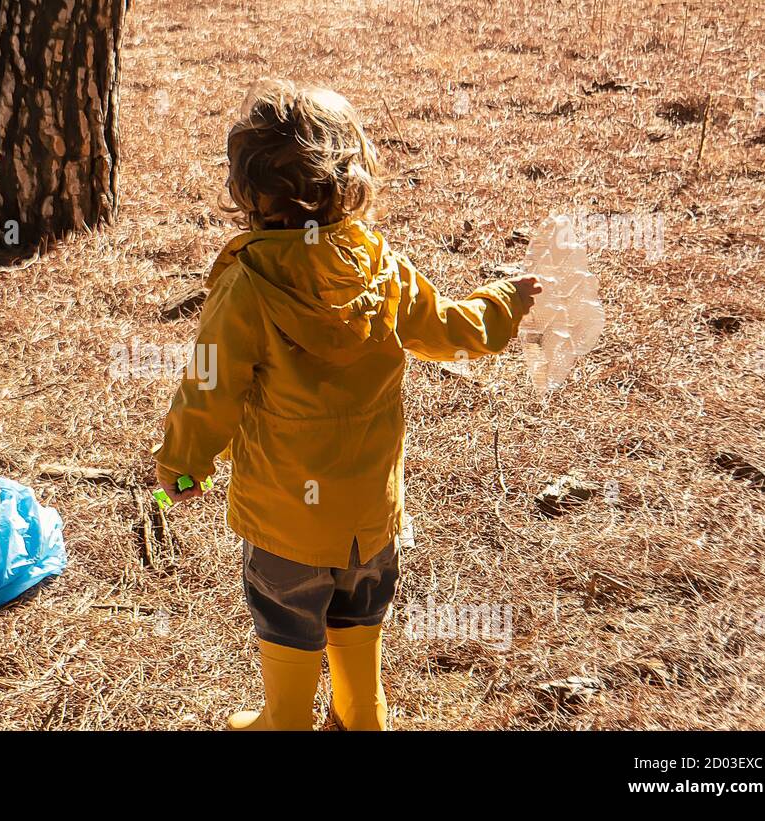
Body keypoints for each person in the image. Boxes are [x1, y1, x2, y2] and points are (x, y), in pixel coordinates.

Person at [153, 80, 541, 730]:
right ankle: (361, 717)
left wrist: (183, 462)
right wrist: (503, 301)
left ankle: (286, 720)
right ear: (351, 178)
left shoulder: (248, 285)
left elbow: (209, 386)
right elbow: (450, 329)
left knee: (286, 622)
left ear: (248, 191)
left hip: (285, 522)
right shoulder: (380, 266)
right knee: (359, 622)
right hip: (370, 517)